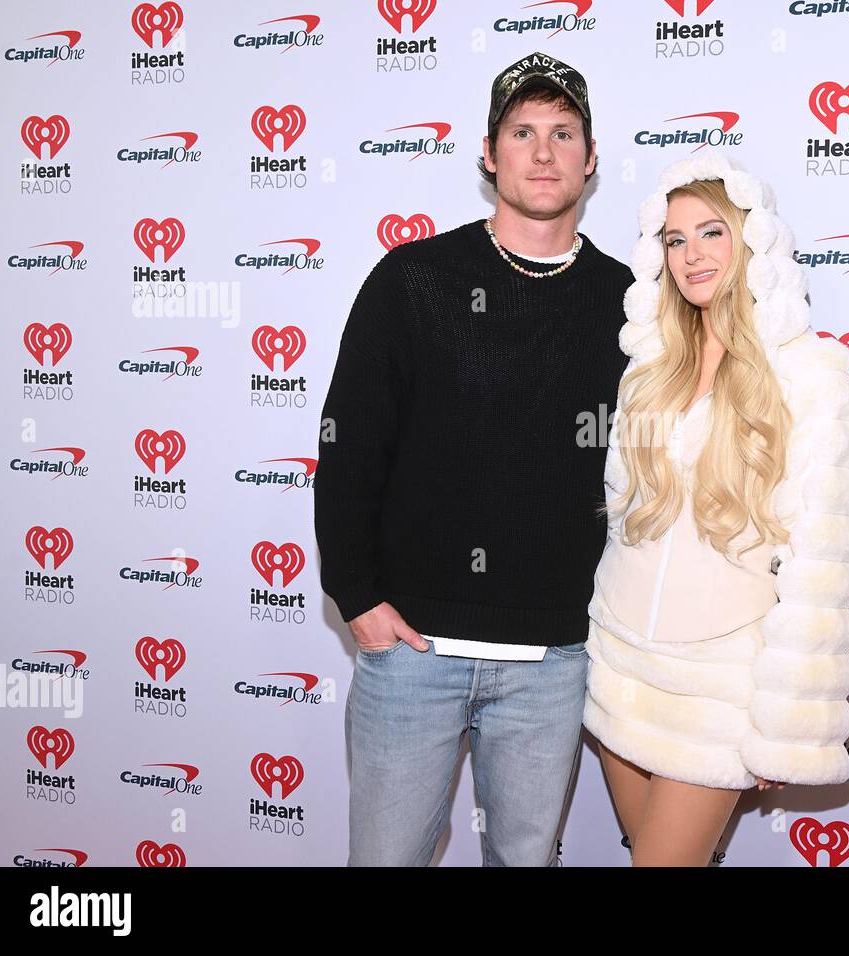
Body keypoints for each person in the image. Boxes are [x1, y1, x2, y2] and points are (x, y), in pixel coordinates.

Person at [314, 52, 633, 866]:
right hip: (412, 654)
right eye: (521, 132)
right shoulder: (414, 279)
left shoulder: (628, 301)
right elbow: (349, 442)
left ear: (590, 158)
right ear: (489, 154)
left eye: (563, 133)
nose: (542, 151)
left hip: (553, 664)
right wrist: (358, 597)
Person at [584, 154, 849, 866]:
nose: (691, 255)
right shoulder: (650, 367)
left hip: (721, 681)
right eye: (675, 240)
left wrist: (786, 722)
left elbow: (819, 568)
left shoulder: (812, 377)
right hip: (621, 659)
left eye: (711, 232)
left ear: (752, 241)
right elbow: (625, 525)